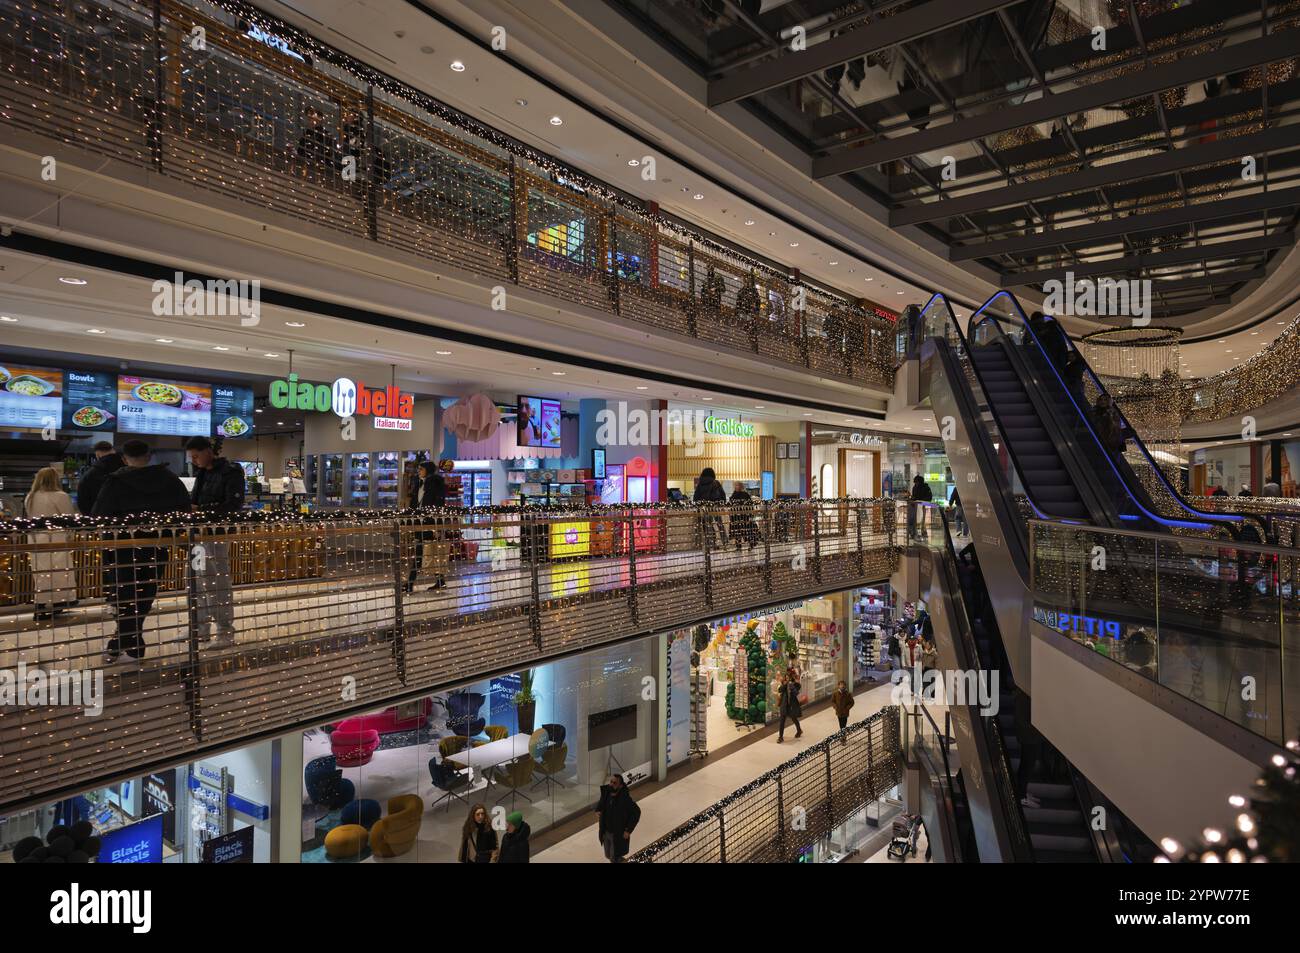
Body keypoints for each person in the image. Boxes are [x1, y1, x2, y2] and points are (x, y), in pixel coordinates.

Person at [92, 440, 193, 662]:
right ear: (149, 456)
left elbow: (99, 514)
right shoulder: (169, 479)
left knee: (123, 593)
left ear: (124, 458)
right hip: (156, 545)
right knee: (146, 591)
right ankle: (132, 639)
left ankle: (123, 640)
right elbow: (185, 510)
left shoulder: (115, 481)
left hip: (122, 548)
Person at [186, 436, 246, 646]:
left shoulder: (231, 471)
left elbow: (233, 504)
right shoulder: (202, 472)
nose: (194, 461)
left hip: (217, 534)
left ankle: (224, 631)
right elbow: (194, 500)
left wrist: (201, 510)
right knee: (196, 582)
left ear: (208, 451)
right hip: (197, 535)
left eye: (196, 456)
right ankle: (199, 628)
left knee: (216, 582)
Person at [24, 466, 77, 621]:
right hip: (55, 536)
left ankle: (40, 604)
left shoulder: (30, 496)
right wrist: (71, 535)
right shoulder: (60, 496)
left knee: (40, 571)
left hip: (35, 537)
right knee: (59, 570)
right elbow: (69, 518)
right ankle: (57, 603)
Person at [405, 460, 449, 592]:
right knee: (429, 552)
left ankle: (410, 583)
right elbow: (416, 503)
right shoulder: (419, 484)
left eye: (421, 469)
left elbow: (438, 504)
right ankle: (440, 581)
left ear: (428, 470)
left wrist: (436, 525)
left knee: (425, 551)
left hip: (429, 523)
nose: (418, 471)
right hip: (419, 522)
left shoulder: (434, 485)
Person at [596, 773, 640, 863]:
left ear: (620, 786)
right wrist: (598, 809)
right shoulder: (606, 793)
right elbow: (601, 803)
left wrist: (628, 830)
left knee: (614, 856)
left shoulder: (625, 799)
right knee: (608, 855)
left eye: (614, 783)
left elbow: (636, 812)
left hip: (617, 833)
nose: (611, 784)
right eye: (611, 782)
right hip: (605, 831)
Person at [76, 441, 123, 515]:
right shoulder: (127, 469)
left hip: (99, 518)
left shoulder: (90, 474)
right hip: (126, 519)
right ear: (113, 450)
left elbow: (83, 500)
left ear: (97, 454)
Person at [694, 467, 728, 549]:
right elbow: (722, 495)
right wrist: (722, 504)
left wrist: (698, 505)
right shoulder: (715, 482)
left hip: (704, 508)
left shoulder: (700, 484)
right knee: (719, 524)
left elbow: (696, 497)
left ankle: (712, 543)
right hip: (714, 507)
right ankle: (725, 542)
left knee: (707, 525)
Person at [728, 486, 759, 551]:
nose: (736, 487)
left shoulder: (744, 494)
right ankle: (739, 546)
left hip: (743, 517)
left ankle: (750, 545)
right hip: (736, 517)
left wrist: (750, 516)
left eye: (737, 485)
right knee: (738, 532)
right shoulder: (734, 494)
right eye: (735, 485)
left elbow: (750, 506)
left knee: (745, 532)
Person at [776, 668, 803, 742]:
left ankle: (799, 730)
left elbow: (796, 693)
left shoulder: (795, 684)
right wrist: (785, 684)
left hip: (792, 705)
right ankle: (780, 737)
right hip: (784, 705)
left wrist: (792, 686)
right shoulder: (784, 684)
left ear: (791, 677)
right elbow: (779, 690)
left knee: (794, 718)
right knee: (782, 721)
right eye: (786, 677)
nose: (787, 679)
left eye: (788, 677)